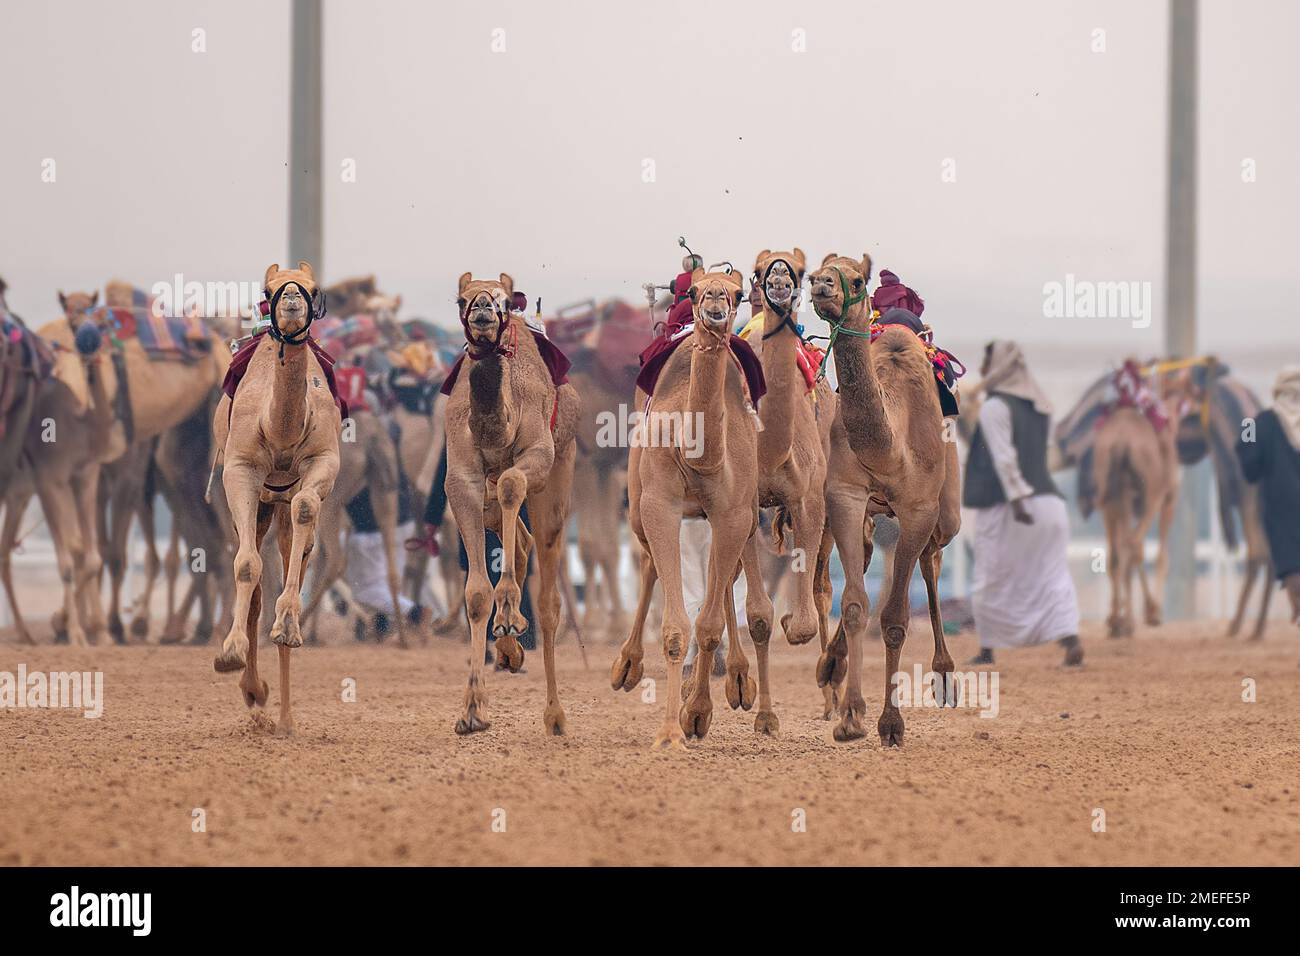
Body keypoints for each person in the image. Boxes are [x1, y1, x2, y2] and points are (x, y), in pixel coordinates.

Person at [964, 341, 1082, 666]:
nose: (984, 368)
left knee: (991, 573)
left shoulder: (994, 407)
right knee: (1053, 575)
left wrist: (1017, 499)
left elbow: (1005, 459)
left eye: (988, 362)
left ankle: (987, 649)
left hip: (1011, 506)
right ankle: (1071, 641)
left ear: (998, 366)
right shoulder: (1040, 407)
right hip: (1049, 505)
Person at [1237, 365, 1300, 625]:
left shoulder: (1257, 422)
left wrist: (1246, 430)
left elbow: (1250, 468)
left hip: (1281, 510)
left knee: (1293, 570)